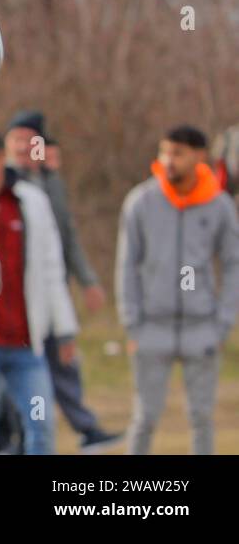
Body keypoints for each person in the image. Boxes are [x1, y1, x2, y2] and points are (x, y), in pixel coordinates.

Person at [0, 110, 122, 453]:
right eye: (15, 140)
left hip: (52, 292)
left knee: (61, 363)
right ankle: (10, 438)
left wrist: (88, 281)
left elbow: (68, 238)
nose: (22, 147)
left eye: (29, 141)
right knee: (16, 372)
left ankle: (83, 428)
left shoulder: (51, 185)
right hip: (12, 301)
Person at [116, 125, 239, 455]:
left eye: (178, 153)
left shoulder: (219, 206)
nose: (169, 160)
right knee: (144, 419)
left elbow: (233, 264)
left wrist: (223, 322)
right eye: (165, 151)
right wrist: (133, 323)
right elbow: (127, 265)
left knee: (201, 419)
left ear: (199, 157)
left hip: (202, 329)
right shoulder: (141, 202)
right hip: (151, 328)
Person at [0, 132, 77, 455]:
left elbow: (53, 267)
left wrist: (65, 330)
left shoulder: (33, 203)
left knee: (40, 428)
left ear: (0, 158)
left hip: (28, 348)